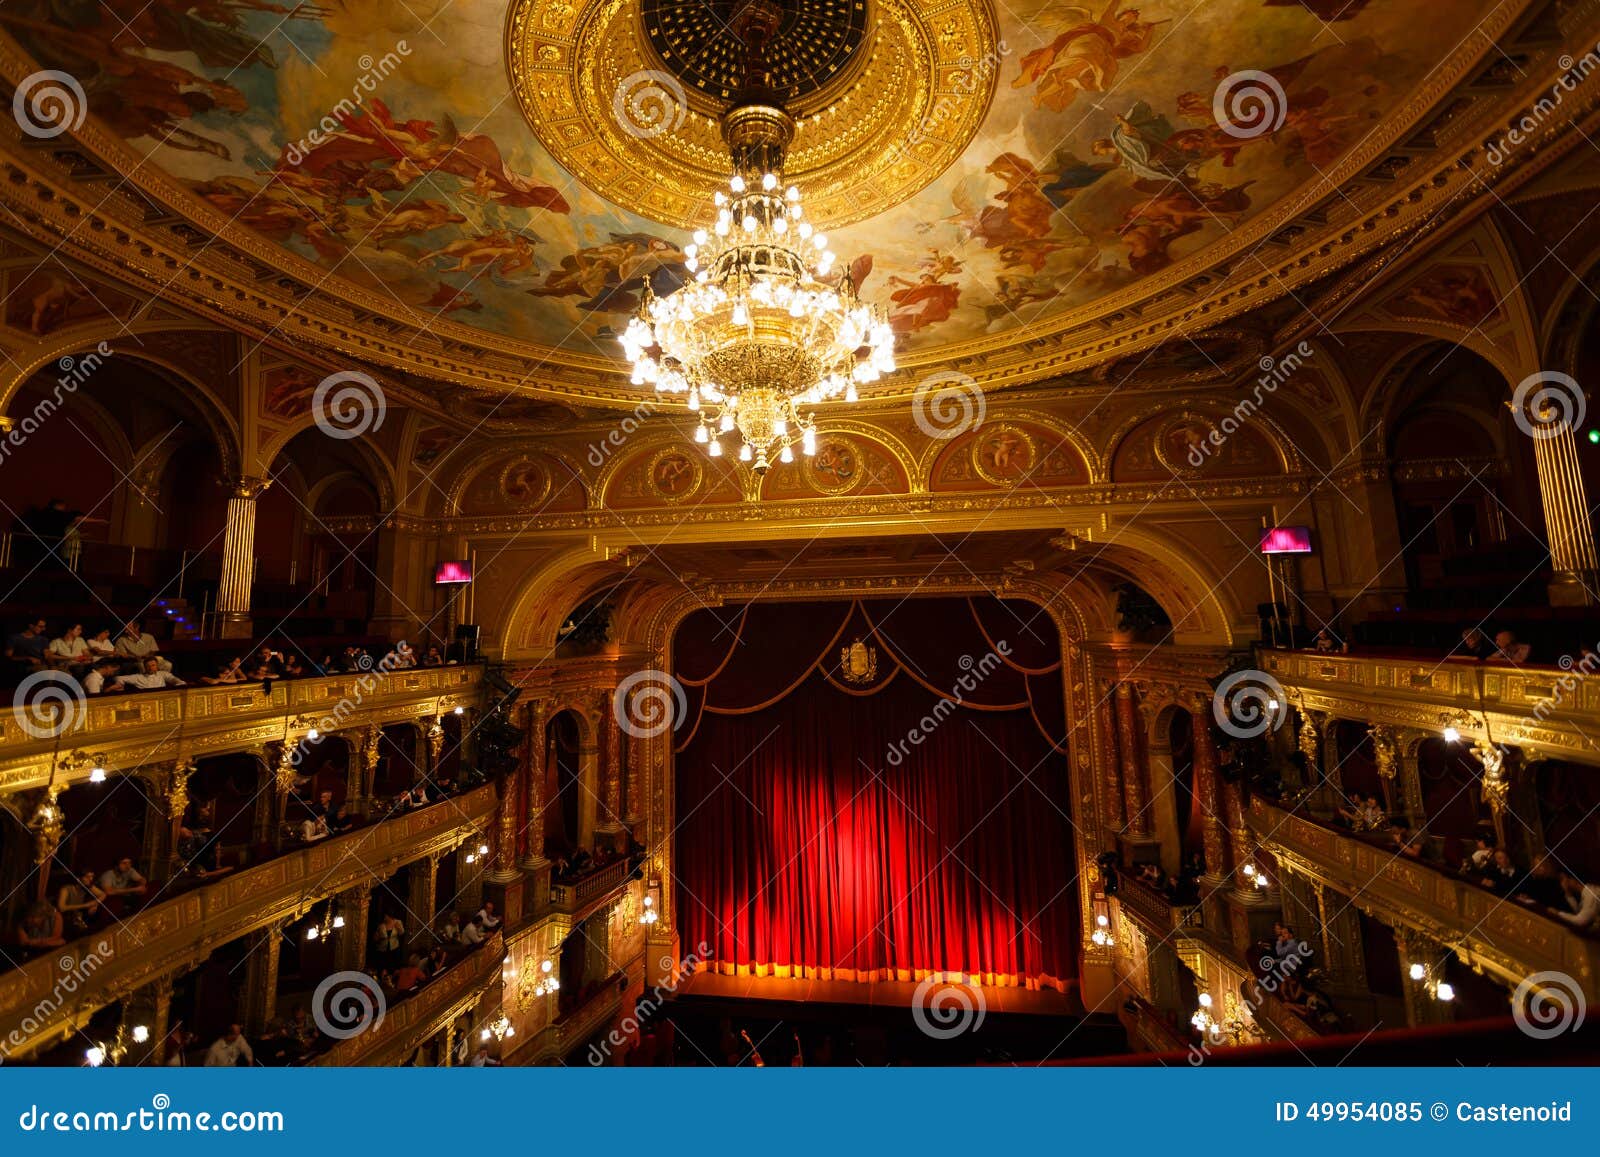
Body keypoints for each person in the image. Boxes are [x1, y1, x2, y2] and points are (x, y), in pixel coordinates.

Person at [57, 869, 107, 934]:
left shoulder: (88, 886)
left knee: (100, 919)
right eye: (87, 877)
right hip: (67, 917)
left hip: (79, 915)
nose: (91, 879)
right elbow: (61, 908)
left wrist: (95, 905)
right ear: (78, 879)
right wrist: (86, 905)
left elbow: (103, 895)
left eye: (92, 876)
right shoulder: (66, 889)